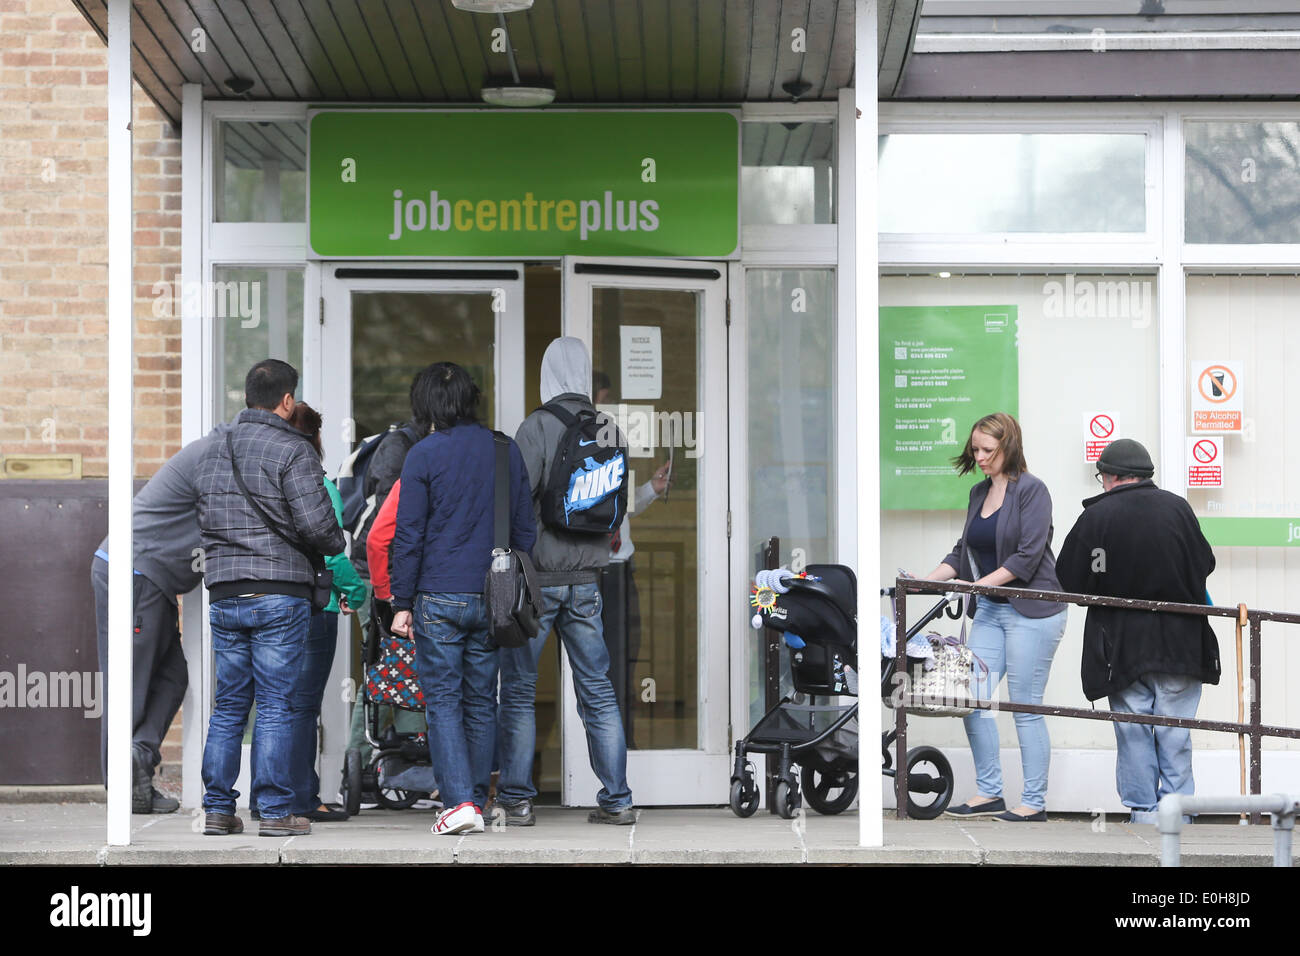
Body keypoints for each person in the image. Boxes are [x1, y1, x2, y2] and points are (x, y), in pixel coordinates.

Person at [195, 359, 346, 837]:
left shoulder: (211, 450)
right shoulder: (293, 449)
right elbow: (320, 527)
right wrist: (335, 543)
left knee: (229, 705)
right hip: (279, 594)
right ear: (286, 400)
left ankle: (218, 808)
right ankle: (277, 811)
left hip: (224, 593)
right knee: (278, 704)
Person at [388, 363, 536, 836]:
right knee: (480, 701)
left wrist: (402, 601)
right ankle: (473, 797)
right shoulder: (503, 449)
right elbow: (525, 531)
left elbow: (408, 534)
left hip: (438, 596)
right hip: (492, 596)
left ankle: (458, 804)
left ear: (427, 404)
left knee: (443, 702)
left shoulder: (424, 454)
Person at [496, 338, 636, 827]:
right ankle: (617, 799)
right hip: (588, 582)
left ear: (547, 374)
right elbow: (615, 511)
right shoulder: (610, 429)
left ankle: (516, 799)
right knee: (597, 689)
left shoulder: (535, 427)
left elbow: (514, 499)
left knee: (517, 689)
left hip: (538, 582)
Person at [1056, 438, 1220, 825]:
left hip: (1120, 645)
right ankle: (1178, 814)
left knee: (1134, 731)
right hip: (1181, 641)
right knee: (1175, 731)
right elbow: (1205, 562)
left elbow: (1071, 577)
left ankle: (1144, 813)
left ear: (1110, 477)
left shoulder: (1097, 518)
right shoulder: (1177, 509)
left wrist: (1104, 584)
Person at [916, 412, 1068, 823]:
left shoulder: (1033, 491)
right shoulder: (979, 492)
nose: (980, 457)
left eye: (988, 450)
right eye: (975, 450)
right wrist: (925, 582)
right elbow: (962, 551)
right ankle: (989, 793)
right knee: (972, 700)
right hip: (991, 611)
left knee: (1024, 706)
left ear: (1009, 447)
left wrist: (977, 585)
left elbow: (1027, 556)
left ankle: (1033, 803)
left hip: (1032, 611)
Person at [90, 421, 233, 813]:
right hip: (134, 573)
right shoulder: (218, 456)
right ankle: (123, 791)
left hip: (149, 577)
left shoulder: (225, 452)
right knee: (130, 686)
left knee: (172, 675)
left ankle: (139, 753)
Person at [286, 402, 370, 823]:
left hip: (276, 602)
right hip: (315, 605)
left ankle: (276, 795)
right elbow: (334, 553)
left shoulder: (270, 478)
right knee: (303, 706)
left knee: (277, 703)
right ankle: (304, 797)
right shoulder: (319, 485)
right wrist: (355, 592)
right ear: (315, 439)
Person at [595, 368, 672, 746]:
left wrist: (651, 490)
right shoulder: (580, 447)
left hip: (620, 570)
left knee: (626, 657)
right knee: (597, 665)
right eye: (604, 402)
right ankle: (598, 747)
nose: (608, 410)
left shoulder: (612, 446)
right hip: (589, 571)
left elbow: (619, 507)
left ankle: (623, 743)